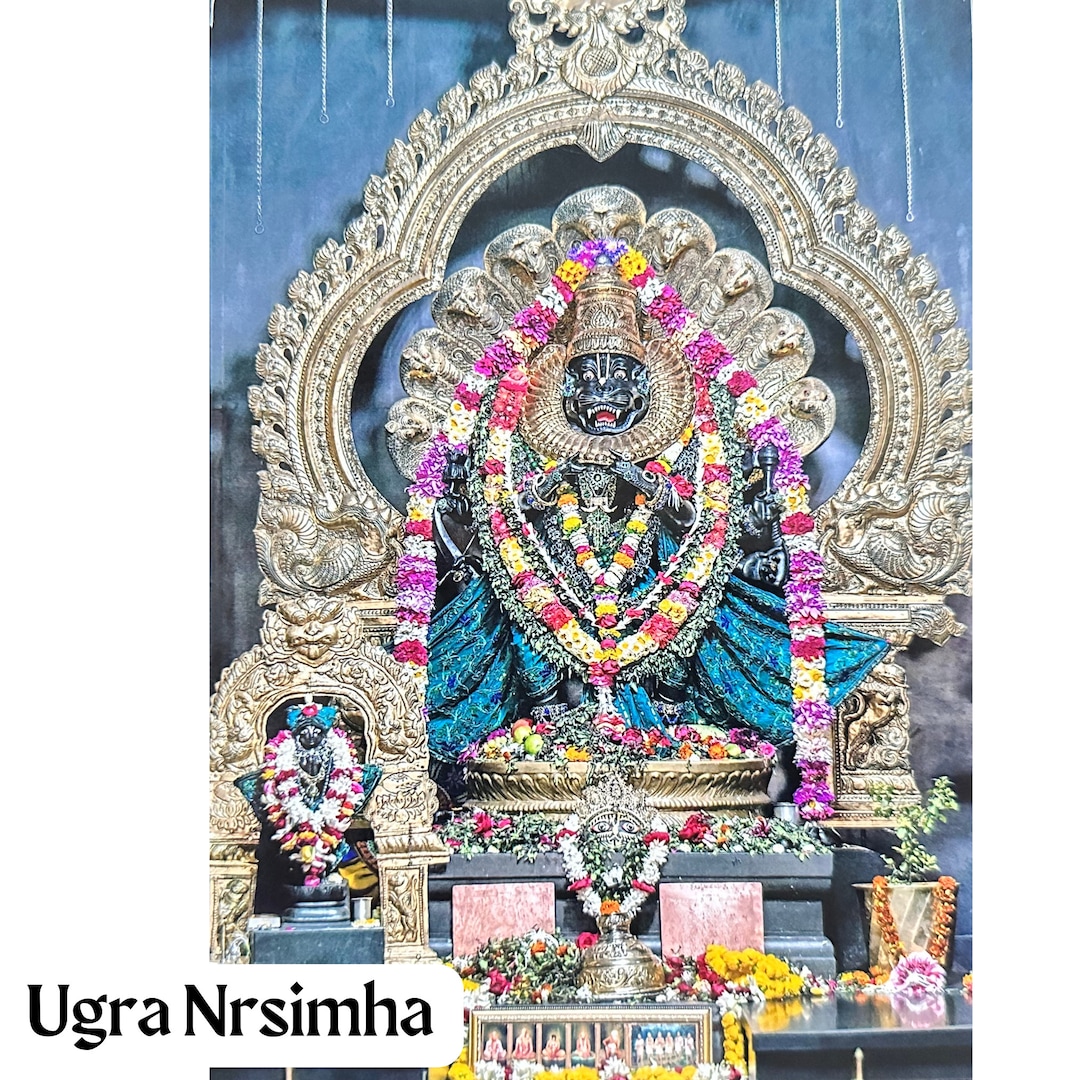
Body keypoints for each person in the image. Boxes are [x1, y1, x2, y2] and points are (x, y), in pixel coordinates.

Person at [425, 264, 888, 773]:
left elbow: (699, 524)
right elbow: (508, 515)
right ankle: (555, 715)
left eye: (621, 381)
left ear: (648, 392)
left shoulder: (687, 443)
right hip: (554, 582)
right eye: (588, 382)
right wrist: (557, 482)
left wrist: (647, 485)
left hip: (651, 584)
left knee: (697, 600)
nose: (604, 395)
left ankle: (667, 715)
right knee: (511, 601)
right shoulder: (523, 441)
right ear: (562, 392)